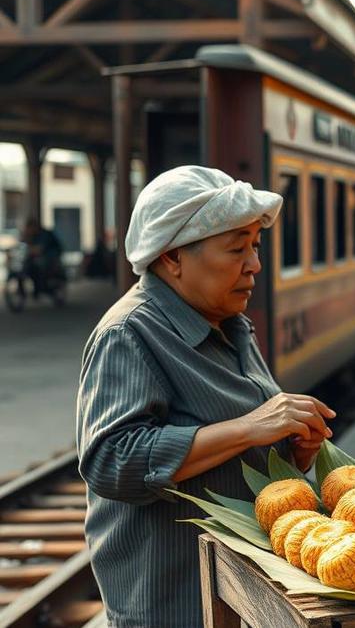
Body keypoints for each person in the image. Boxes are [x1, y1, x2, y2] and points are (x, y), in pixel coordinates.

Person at [75, 166, 336, 627]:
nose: (254, 263)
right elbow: (111, 461)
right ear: (173, 258)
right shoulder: (130, 334)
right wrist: (251, 427)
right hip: (176, 603)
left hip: (237, 596)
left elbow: (230, 456)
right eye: (237, 248)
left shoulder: (230, 324)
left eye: (255, 245)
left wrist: (291, 453)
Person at [20, 216, 63, 292]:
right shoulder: (32, 236)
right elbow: (24, 243)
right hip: (39, 255)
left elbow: (39, 249)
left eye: (30, 228)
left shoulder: (45, 234)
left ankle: (44, 285)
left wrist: (30, 248)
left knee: (41, 265)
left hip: (51, 255)